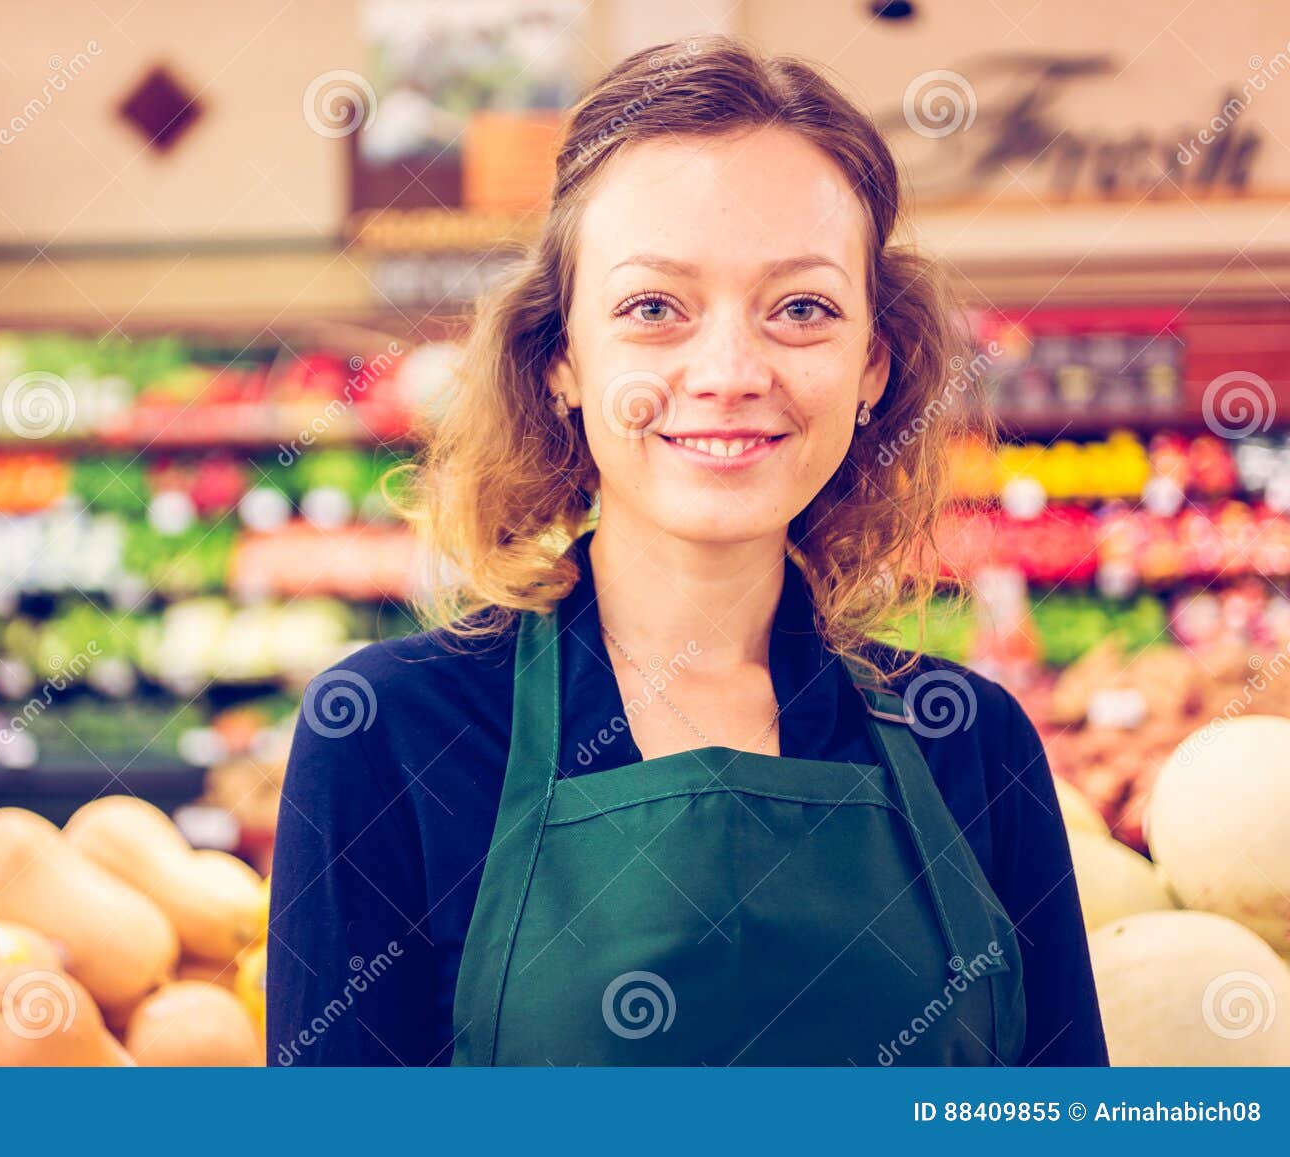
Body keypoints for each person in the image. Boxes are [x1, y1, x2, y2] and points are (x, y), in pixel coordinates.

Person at [268, 36, 1108, 1067]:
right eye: (653, 307)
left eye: (800, 307)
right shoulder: (394, 736)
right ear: (563, 357)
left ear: (871, 366)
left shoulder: (973, 747)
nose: (727, 370)